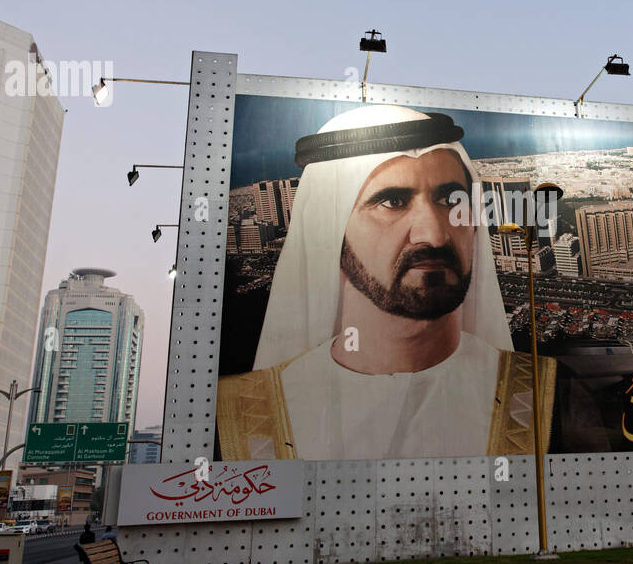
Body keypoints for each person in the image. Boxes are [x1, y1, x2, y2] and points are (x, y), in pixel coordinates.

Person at [218, 105, 555, 460]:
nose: (434, 235)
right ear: (331, 233)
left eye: (450, 200)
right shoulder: (242, 419)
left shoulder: (546, 400)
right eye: (393, 202)